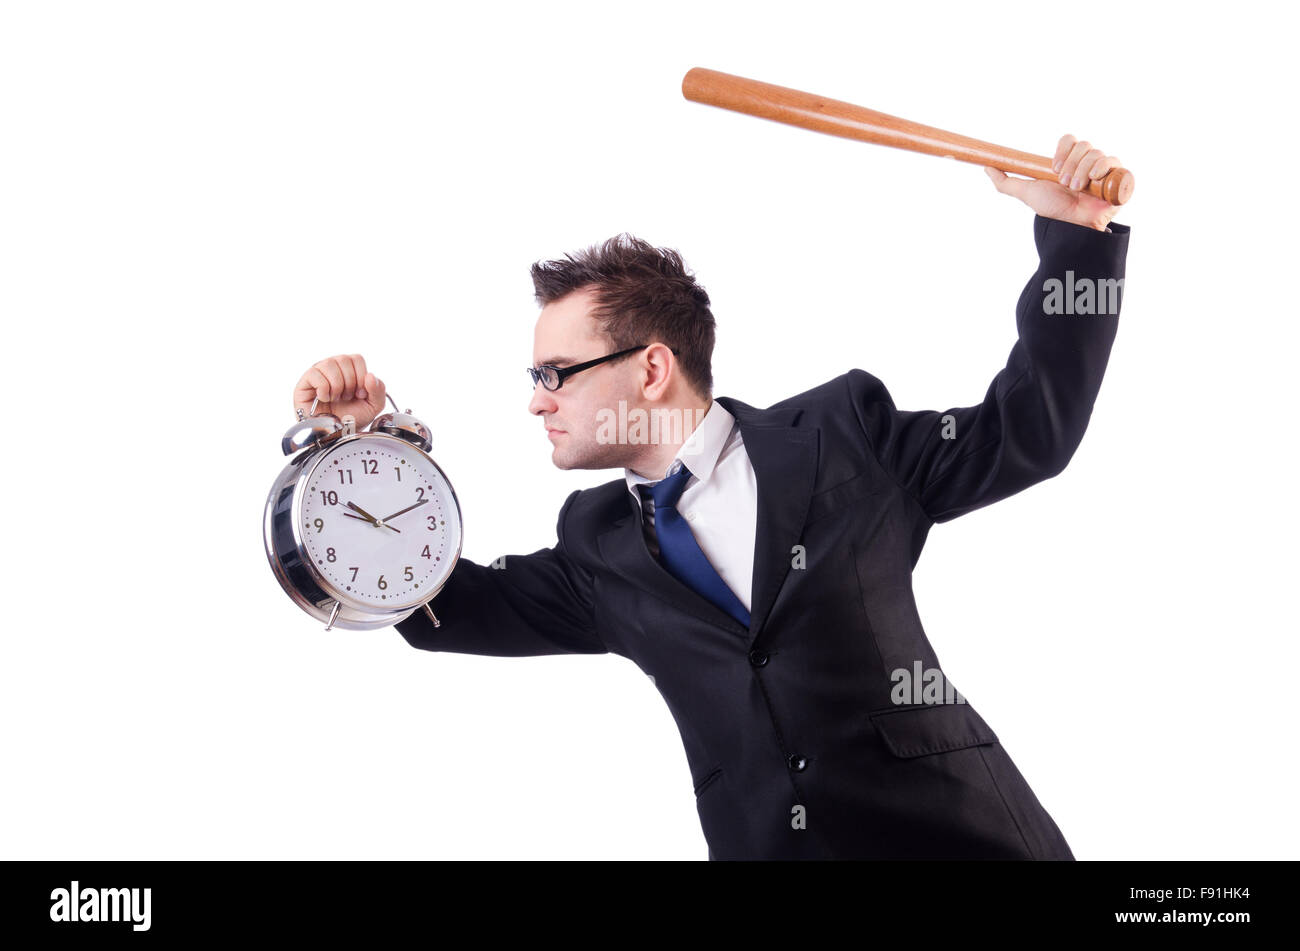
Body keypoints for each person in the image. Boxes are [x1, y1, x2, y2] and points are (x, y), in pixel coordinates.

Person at [292, 135, 1132, 859]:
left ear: (650, 369)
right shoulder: (597, 548)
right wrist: (369, 448)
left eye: (555, 374)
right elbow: (451, 610)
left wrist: (1077, 237)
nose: (537, 399)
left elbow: (1028, 432)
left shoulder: (846, 435)